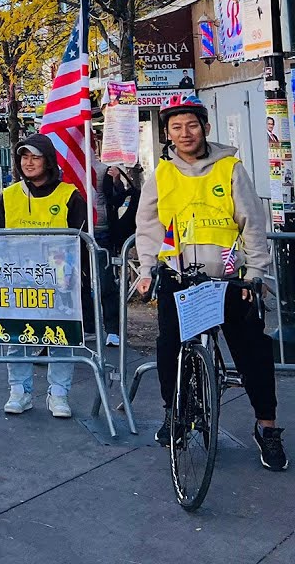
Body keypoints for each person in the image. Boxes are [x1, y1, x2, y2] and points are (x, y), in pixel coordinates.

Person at [134, 94, 286, 469]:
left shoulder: (230, 168)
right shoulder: (161, 175)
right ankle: (175, 413)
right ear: (168, 134)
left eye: (191, 125)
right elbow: (148, 227)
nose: (185, 133)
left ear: (205, 128)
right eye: (176, 127)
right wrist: (146, 270)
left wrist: (256, 273)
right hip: (179, 278)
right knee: (169, 346)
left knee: (253, 351)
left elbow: (252, 224)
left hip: (230, 279)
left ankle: (266, 427)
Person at [0, 134, 86, 419]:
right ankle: (19, 392)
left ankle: (58, 394)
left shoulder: (69, 196)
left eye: (35, 157)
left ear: (48, 161)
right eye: (24, 157)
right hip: (18, 283)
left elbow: (82, 241)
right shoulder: (8, 197)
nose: (29, 163)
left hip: (60, 285)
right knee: (17, 338)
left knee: (61, 340)